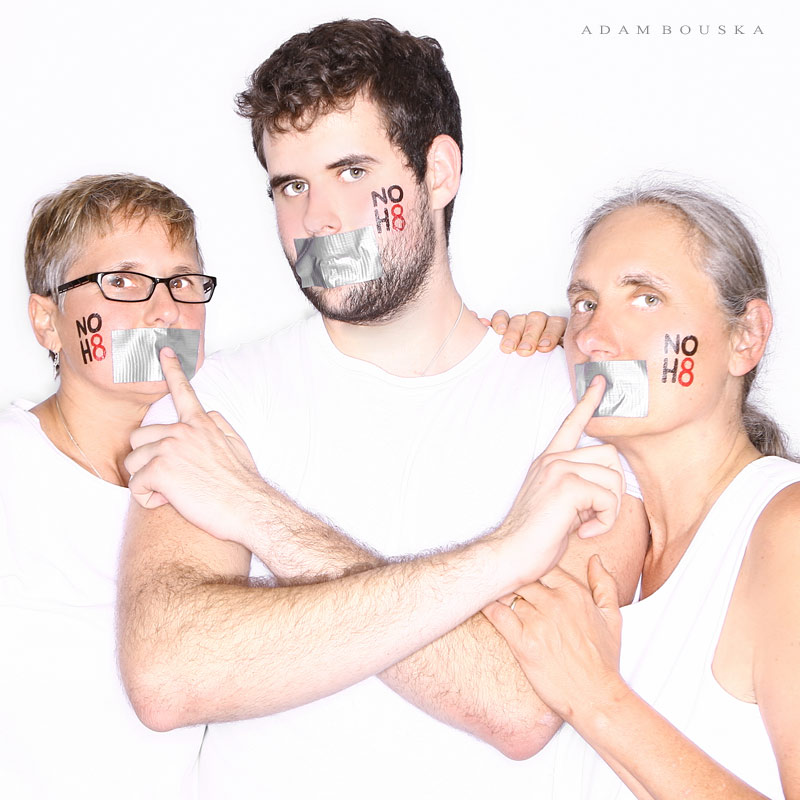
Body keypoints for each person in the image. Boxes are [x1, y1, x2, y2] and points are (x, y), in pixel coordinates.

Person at [117, 18, 650, 798]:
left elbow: (522, 700)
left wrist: (260, 516)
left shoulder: (580, 405)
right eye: (291, 185)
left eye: (353, 170)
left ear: (438, 172)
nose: (319, 219)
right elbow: (168, 671)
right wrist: (497, 567)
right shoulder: (213, 407)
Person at [484, 183, 800, 799]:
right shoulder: (614, 554)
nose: (595, 338)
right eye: (583, 303)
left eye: (647, 298)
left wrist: (596, 698)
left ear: (746, 337)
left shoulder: (786, 533)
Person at [0, 174, 212, 797]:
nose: (164, 309)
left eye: (182, 282)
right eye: (121, 282)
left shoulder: (221, 469)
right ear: (47, 320)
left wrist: (504, 342)